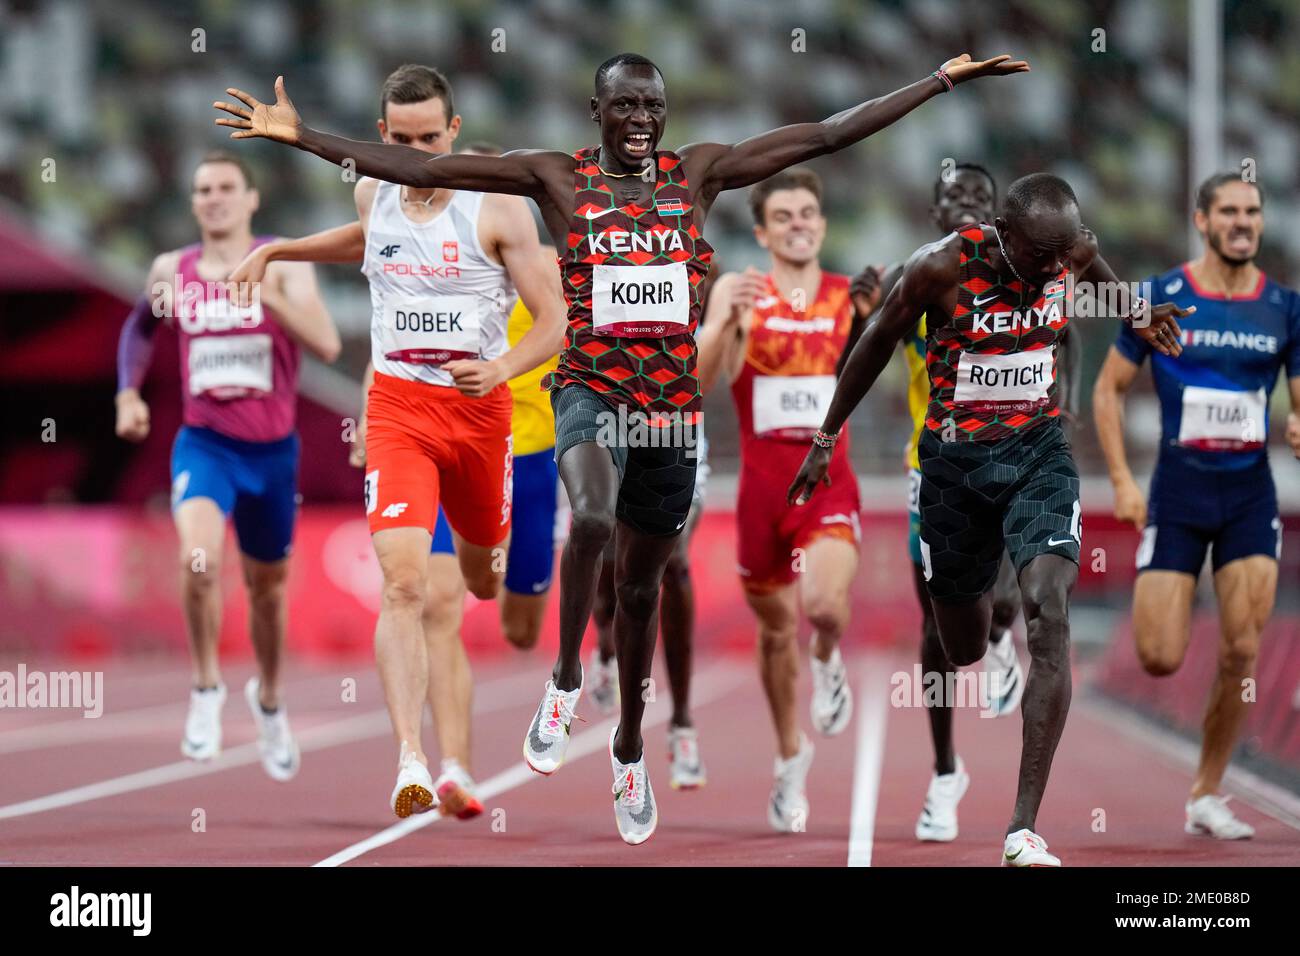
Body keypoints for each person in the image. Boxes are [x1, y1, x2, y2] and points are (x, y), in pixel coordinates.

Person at [215, 48, 1030, 845]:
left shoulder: (699, 173)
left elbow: (821, 135)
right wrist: (304, 138)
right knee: (595, 520)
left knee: (641, 593)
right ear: (596, 113)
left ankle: (630, 747)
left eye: (652, 105)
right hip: (589, 390)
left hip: (670, 411)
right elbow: (423, 172)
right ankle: (567, 678)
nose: (640, 119)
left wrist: (935, 82)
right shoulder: (556, 178)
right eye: (625, 105)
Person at [789, 173, 1190, 865]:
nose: (1054, 269)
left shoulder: (1068, 249)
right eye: (1040, 258)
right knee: (963, 646)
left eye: (1063, 256)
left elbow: (1093, 269)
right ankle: (987, 616)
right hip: (953, 468)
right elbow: (876, 344)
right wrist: (825, 442)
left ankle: (1022, 827)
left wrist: (1132, 310)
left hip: (1039, 454)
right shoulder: (940, 267)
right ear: (1004, 238)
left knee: (1050, 610)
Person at [225, 65, 566, 819]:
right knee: (407, 584)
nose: (417, 157)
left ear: (454, 131)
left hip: (480, 417)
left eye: (430, 140)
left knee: (481, 580)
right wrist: (275, 251)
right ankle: (412, 756)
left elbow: (555, 322)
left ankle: (497, 572)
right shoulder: (373, 191)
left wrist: (503, 367)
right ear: (382, 138)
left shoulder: (500, 210)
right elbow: (364, 242)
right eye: (402, 142)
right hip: (401, 411)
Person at [850, 163, 1063, 842]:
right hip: (934, 467)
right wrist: (854, 323)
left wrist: (1071, 406)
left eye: (978, 196)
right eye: (954, 200)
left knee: (1015, 592)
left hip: (1019, 452)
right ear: (938, 211)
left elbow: (1068, 333)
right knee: (939, 635)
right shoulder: (921, 277)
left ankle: (1005, 628)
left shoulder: (1032, 273)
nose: (966, 208)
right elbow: (860, 357)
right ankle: (945, 771)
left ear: (998, 214)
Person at [114, 151, 340, 781]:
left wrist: (267, 293)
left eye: (224, 188)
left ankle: (268, 700)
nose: (212, 198)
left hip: (272, 456)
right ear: (193, 203)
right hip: (206, 446)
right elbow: (139, 329)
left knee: (268, 590)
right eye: (202, 189)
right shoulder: (173, 269)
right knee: (200, 560)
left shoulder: (283, 260)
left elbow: (325, 342)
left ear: (251, 199)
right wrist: (127, 392)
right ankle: (206, 688)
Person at [1093, 172, 1300, 840]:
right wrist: (1123, 480)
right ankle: (1169, 631)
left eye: (1253, 212)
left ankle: (1206, 792)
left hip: (1248, 495)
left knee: (1242, 648)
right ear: (1202, 220)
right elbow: (1107, 391)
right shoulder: (1160, 297)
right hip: (1177, 495)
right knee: (1159, 655)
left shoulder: (1285, 309)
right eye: (1230, 212)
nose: (1244, 222)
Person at [695, 168, 860, 830]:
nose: (799, 224)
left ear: (822, 224)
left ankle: (827, 656)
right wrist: (719, 321)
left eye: (809, 213)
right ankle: (791, 756)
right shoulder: (740, 294)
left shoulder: (853, 299)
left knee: (820, 606)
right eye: (785, 215)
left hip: (827, 488)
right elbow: (700, 385)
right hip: (760, 496)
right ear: (762, 232)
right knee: (772, 630)